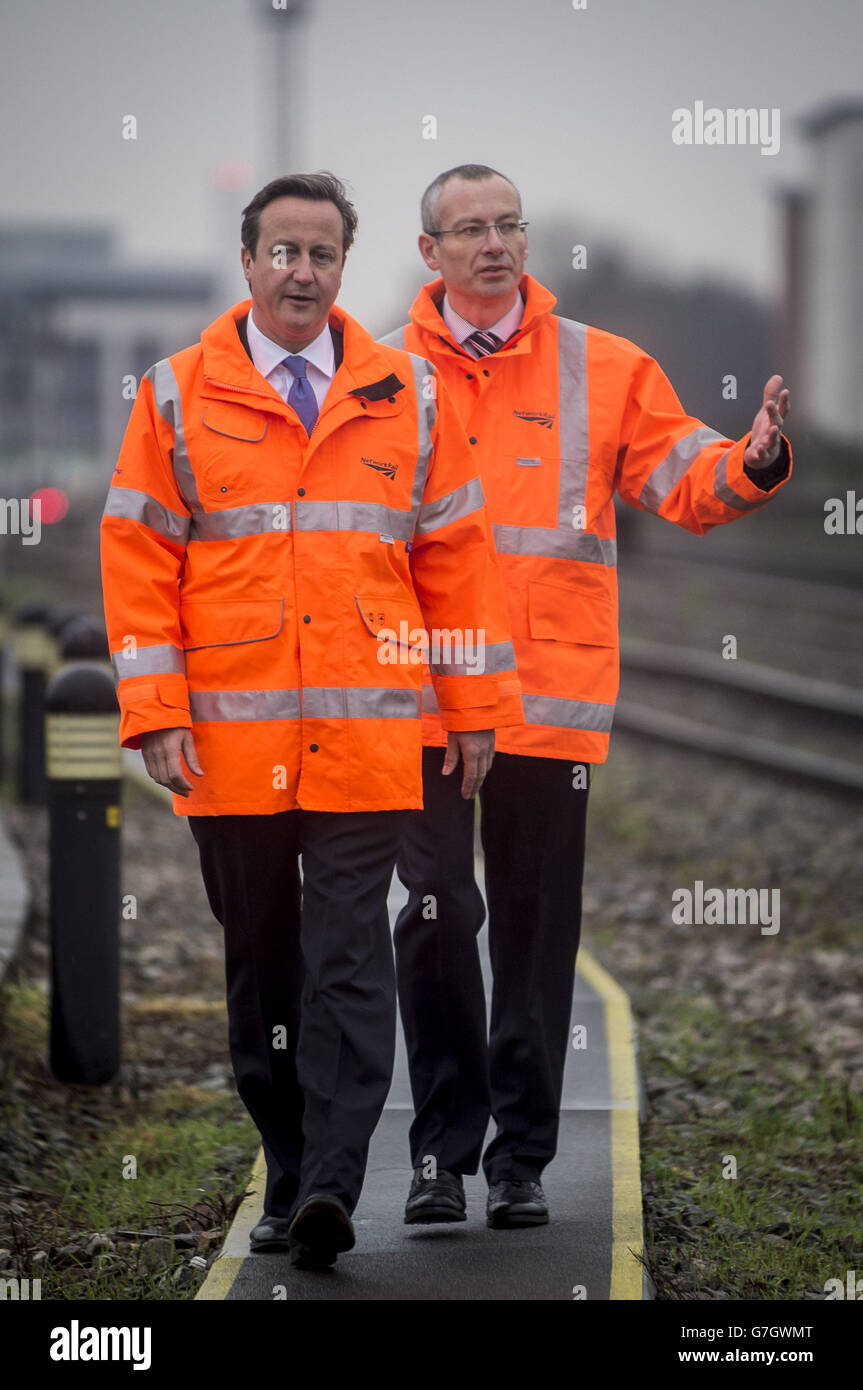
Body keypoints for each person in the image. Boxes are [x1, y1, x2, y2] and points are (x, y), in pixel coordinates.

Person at [100, 172, 523, 1269]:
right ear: (247, 263)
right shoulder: (174, 396)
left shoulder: (406, 393)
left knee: (347, 959)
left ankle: (333, 1182)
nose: (301, 270)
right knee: (262, 964)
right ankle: (287, 1171)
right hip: (230, 749)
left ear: (344, 267)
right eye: (281, 250)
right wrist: (153, 710)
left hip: (369, 740)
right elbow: (138, 564)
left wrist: (471, 707)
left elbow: (456, 564)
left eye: (321, 253)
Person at [380, 163, 791, 1230]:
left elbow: (680, 474)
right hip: (422, 704)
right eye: (467, 229)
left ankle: (518, 1159)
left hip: (549, 702)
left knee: (531, 929)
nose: (493, 243)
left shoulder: (600, 367)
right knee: (432, 917)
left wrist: (751, 460)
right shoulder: (375, 376)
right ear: (428, 253)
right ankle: (438, 1151)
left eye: (508, 224)